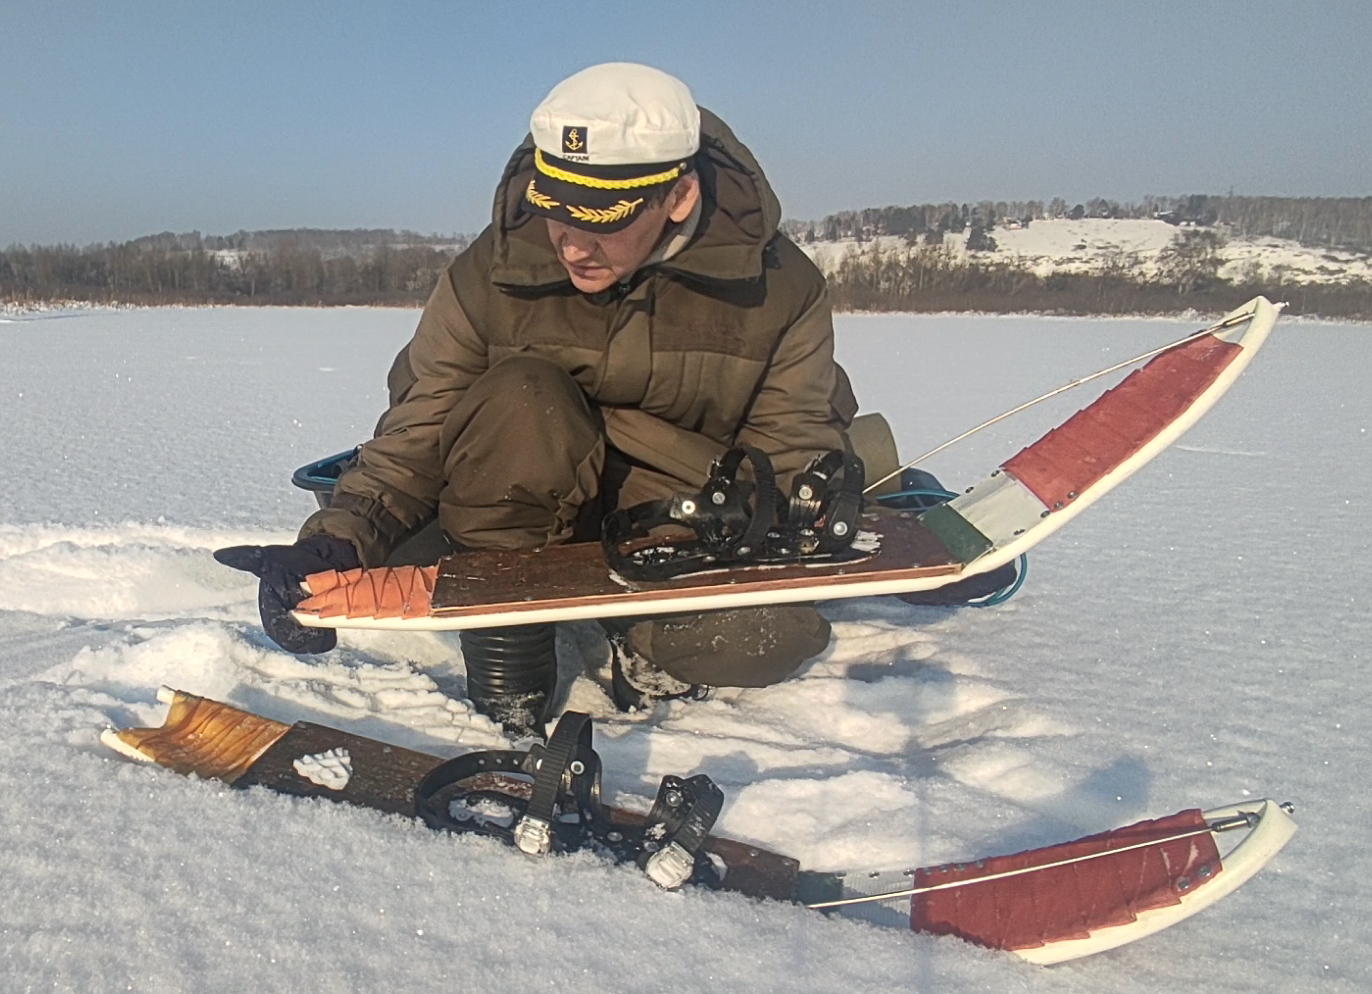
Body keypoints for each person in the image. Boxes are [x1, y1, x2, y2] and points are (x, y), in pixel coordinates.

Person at [217, 62, 884, 734]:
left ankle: (635, 631)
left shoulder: (781, 288)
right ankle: (510, 652)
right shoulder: (491, 270)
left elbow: (789, 444)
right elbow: (420, 425)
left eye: (601, 219)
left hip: (673, 506)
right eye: (556, 209)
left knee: (762, 641)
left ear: (677, 199)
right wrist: (337, 541)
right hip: (506, 499)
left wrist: (725, 537)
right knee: (523, 398)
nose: (570, 241)